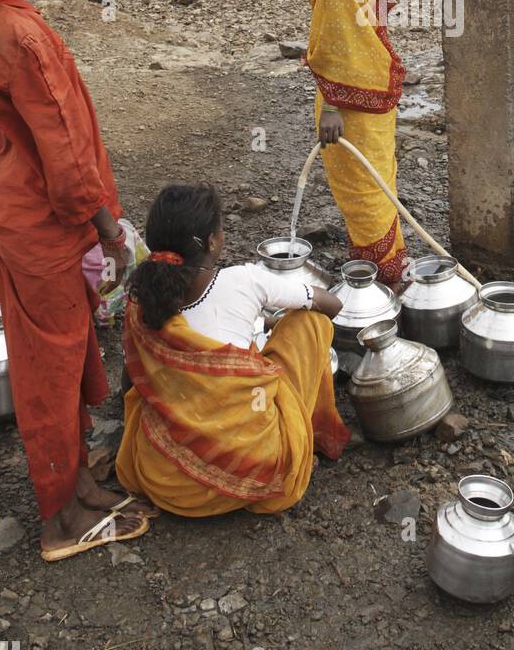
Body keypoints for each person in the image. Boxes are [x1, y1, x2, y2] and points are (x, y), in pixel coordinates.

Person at [0, 0, 153, 561]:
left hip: (16, 209)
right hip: (44, 220)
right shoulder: (20, 33)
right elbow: (67, 154)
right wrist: (110, 230)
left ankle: (76, 479)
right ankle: (60, 518)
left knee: (66, 348)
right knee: (48, 371)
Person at [116, 183, 350, 517]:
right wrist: (275, 319)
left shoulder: (140, 303)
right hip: (257, 470)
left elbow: (131, 382)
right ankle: (309, 428)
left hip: (168, 483)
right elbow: (332, 305)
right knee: (312, 324)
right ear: (212, 241)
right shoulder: (245, 280)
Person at [294, 0, 408, 287]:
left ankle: (380, 283)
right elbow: (379, 8)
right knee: (379, 183)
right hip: (375, 82)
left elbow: (337, 35)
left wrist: (334, 105)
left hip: (348, 100)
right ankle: (392, 267)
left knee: (362, 192)